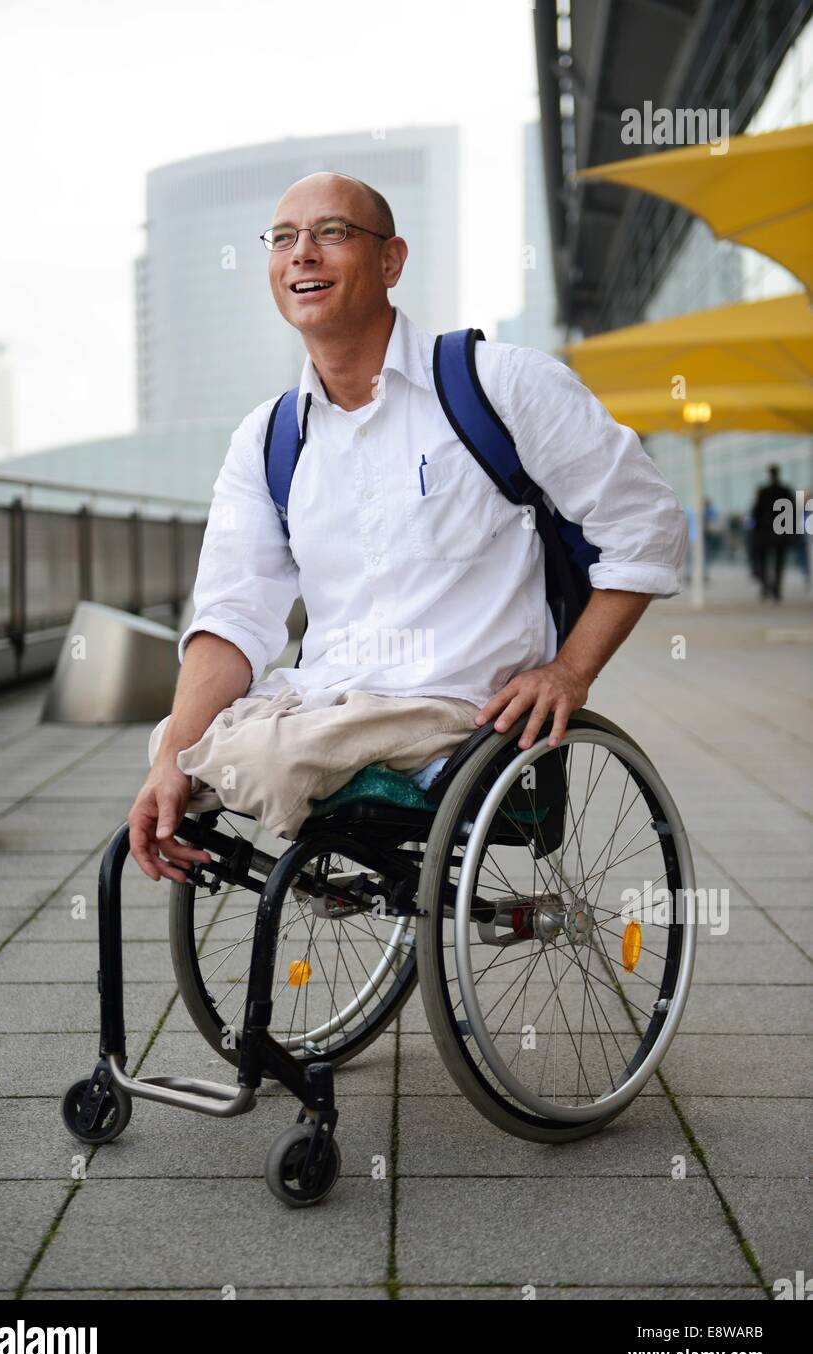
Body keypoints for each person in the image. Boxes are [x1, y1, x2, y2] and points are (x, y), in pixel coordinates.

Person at [127, 171, 688, 883]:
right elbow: (232, 614)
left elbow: (646, 522)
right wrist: (171, 759)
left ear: (391, 261)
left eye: (331, 233)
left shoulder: (502, 385)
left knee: (255, 759)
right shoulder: (268, 439)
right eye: (284, 238)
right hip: (326, 700)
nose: (302, 253)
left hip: (458, 707)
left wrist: (570, 671)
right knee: (173, 745)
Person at [751, 464, 796, 601]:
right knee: (779, 562)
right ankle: (776, 588)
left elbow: (756, 513)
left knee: (764, 560)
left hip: (765, 532)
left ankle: (766, 586)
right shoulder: (785, 491)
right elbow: (792, 513)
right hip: (781, 531)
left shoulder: (764, 492)